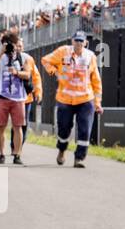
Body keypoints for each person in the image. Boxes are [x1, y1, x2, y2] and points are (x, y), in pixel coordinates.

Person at [40, 30, 103, 168]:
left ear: (86, 42)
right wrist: (56, 73)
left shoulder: (90, 56)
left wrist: (97, 103)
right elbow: (45, 60)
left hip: (86, 99)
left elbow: (96, 81)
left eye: (81, 41)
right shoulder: (63, 51)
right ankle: (62, 150)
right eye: (77, 40)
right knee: (63, 129)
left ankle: (79, 158)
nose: (79, 43)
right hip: (65, 99)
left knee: (85, 130)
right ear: (72, 41)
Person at [0, 29, 32, 164]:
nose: (9, 46)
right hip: (3, 97)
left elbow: (28, 75)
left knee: (18, 127)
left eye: (11, 43)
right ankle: (1, 154)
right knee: (1, 127)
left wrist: (17, 72)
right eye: (6, 44)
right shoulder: (0, 56)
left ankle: (17, 155)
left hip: (19, 98)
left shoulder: (23, 57)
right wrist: (1, 52)